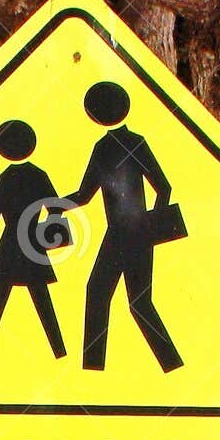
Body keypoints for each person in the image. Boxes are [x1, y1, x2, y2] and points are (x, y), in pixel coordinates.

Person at [65, 80, 184, 372]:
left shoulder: (119, 145)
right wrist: (53, 202)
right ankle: (95, 370)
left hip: (130, 233)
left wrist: (154, 228)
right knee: (111, 295)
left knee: (128, 300)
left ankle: (170, 366)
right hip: (125, 233)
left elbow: (162, 187)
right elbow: (86, 194)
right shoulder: (118, 144)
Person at [0, 119, 68, 360]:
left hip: (10, 246)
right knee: (41, 301)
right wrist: (44, 231)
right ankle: (60, 353)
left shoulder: (6, 177)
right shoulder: (38, 175)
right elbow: (56, 207)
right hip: (32, 244)